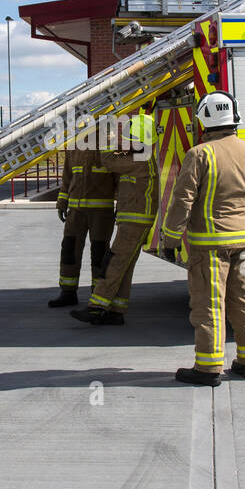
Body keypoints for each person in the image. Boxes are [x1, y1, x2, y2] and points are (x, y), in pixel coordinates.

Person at [160, 91, 245, 386]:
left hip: (210, 247)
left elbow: (182, 200)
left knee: (210, 305)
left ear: (204, 120)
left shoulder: (200, 154)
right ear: (234, 118)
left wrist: (170, 241)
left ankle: (208, 368)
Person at [70, 103, 158, 325]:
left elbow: (108, 161)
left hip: (135, 221)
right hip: (136, 219)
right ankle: (117, 311)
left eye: (129, 134)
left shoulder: (139, 159)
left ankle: (96, 307)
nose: (125, 138)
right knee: (125, 265)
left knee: (115, 261)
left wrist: (105, 138)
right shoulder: (140, 155)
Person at [47, 123, 117, 307]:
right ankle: (68, 292)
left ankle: (98, 293)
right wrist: (62, 201)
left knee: (99, 252)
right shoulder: (75, 143)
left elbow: (119, 178)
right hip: (76, 211)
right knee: (69, 249)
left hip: (101, 210)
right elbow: (67, 176)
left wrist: (122, 206)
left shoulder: (109, 142)